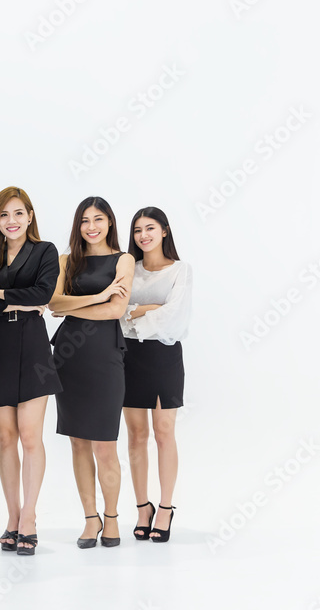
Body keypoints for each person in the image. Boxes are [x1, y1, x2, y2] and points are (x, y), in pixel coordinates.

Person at [0, 187, 61, 556]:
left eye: (19, 213)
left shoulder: (45, 251)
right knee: (6, 438)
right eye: (4, 215)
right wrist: (5, 301)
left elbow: (44, 294)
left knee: (30, 437)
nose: (12, 221)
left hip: (34, 348)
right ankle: (12, 517)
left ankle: (30, 519)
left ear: (30, 216)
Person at [48, 196, 135, 549]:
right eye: (84, 220)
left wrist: (76, 304)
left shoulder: (124, 260)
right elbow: (53, 303)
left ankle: (112, 517)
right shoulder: (66, 260)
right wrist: (98, 295)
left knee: (105, 446)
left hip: (104, 357)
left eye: (98, 219)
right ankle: (89, 518)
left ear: (110, 222)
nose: (91, 226)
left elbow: (116, 311)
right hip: (70, 357)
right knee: (78, 443)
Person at [120, 207, 191, 543]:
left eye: (150, 228)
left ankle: (165, 507)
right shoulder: (127, 269)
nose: (143, 235)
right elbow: (116, 314)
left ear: (164, 231)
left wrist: (136, 312)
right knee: (136, 435)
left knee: (164, 432)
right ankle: (142, 507)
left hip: (163, 355)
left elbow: (175, 319)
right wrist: (149, 310)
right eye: (137, 230)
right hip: (128, 356)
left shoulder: (181, 270)